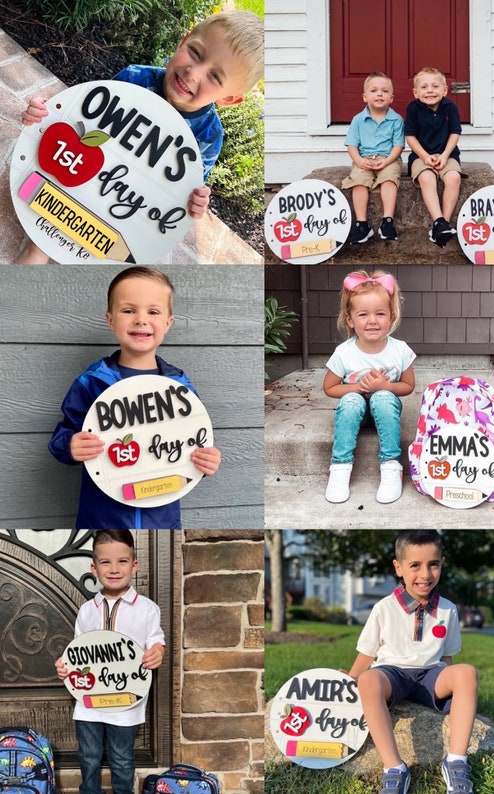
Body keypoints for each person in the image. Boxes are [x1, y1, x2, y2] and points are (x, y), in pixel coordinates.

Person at [16, 9, 264, 263]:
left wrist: (196, 201)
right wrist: (45, 117)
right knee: (43, 241)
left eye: (214, 76)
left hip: (123, 209)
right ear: (183, 41)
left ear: (229, 99)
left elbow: (181, 192)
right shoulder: (135, 79)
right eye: (195, 52)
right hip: (83, 185)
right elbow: (86, 127)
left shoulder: (208, 135)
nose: (193, 72)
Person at [48, 266, 222, 528]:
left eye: (153, 311)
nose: (141, 320)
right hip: (103, 518)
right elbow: (61, 436)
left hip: (162, 522)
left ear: (167, 323)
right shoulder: (92, 382)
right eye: (129, 310)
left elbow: (192, 443)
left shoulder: (179, 388)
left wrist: (205, 461)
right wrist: (71, 445)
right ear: (110, 320)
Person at [344, 530, 478, 794]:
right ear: (398, 567)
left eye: (433, 564)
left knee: (467, 673)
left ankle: (456, 763)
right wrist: (348, 679)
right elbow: (367, 653)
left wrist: (462, 694)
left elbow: (447, 657)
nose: (425, 574)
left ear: (442, 563)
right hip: (392, 675)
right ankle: (394, 768)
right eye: (415, 565)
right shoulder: (383, 607)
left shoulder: (448, 609)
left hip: (431, 676)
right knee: (368, 679)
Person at [55, 530, 166, 794]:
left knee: (122, 759)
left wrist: (157, 652)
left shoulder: (147, 608)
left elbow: (156, 640)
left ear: (134, 565)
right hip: (88, 701)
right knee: (89, 756)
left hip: (126, 701)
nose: (114, 569)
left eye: (122, 561)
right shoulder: (86, 610)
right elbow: (77, 651)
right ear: (94, 568)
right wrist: (65, 667)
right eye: (105, 562)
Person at [323, 270, 415, 504]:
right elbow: (330, 388)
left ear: (391, 316)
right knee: (351, 400)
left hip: (386, 411)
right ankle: (340, 467)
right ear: (350, 320)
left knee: (383, 397)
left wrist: (385, 385)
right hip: (357, 414)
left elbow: (409, 386)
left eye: (380, 314)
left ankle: (391, 465)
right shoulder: (344, 352)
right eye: (363, 314)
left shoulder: (400, 349)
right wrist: (356, 388)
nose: (372, 321)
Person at [341, 71, 405, 243]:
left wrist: (388, 161)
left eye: (384, 91)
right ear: (365, 97)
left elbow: (398, 145)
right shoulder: (358, 120)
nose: (379, 94)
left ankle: (387, 221)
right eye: (374, 90)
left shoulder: (396, 120)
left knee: (389, 179)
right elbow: (352, 145)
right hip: (364, 159)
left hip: (388, 159)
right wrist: (359, 160)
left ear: (391, 98)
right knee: (359, 181)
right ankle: (362, 224)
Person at [405, 67, 463, 248]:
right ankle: (438, 221)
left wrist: (445, 156)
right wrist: (425, 156)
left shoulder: (449, 107)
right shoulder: (413, 109)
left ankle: (442, 226)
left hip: (447, 154)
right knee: (426, 177)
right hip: (421, 156)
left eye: (435, 86)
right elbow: (410, 137)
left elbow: (455, 133)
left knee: (453, 177)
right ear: (416, 93)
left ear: (444, 90)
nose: (430, 90)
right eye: (424, 87)